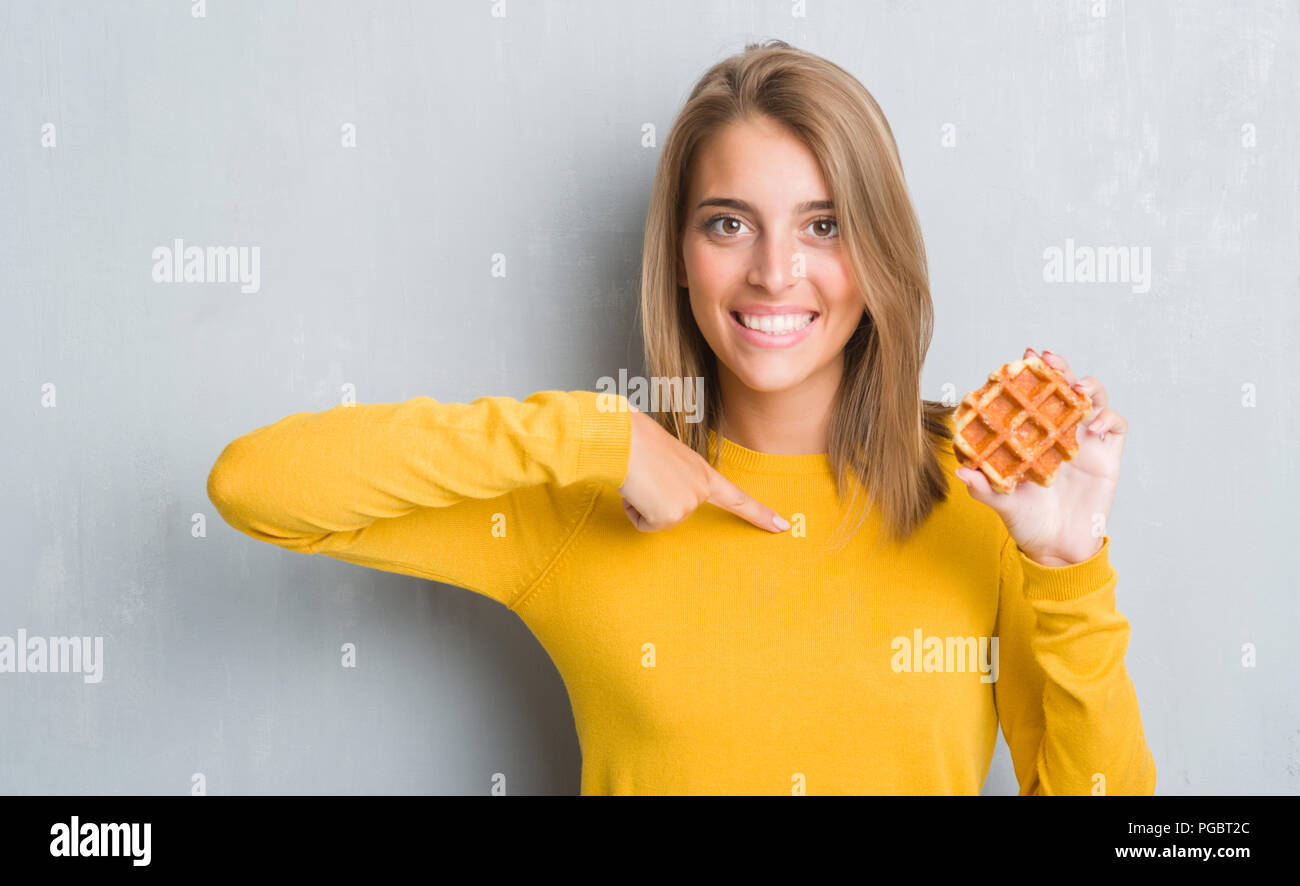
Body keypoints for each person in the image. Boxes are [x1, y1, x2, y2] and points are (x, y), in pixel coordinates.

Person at [206, 40, 1156, 795]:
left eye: (824, 225)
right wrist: (597, 438)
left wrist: (1067, 571)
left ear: (879, 255)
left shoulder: (988, 502)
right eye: (729, 223)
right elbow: (256, 485)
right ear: (680, 255)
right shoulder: (587, 490)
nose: (775, 271)